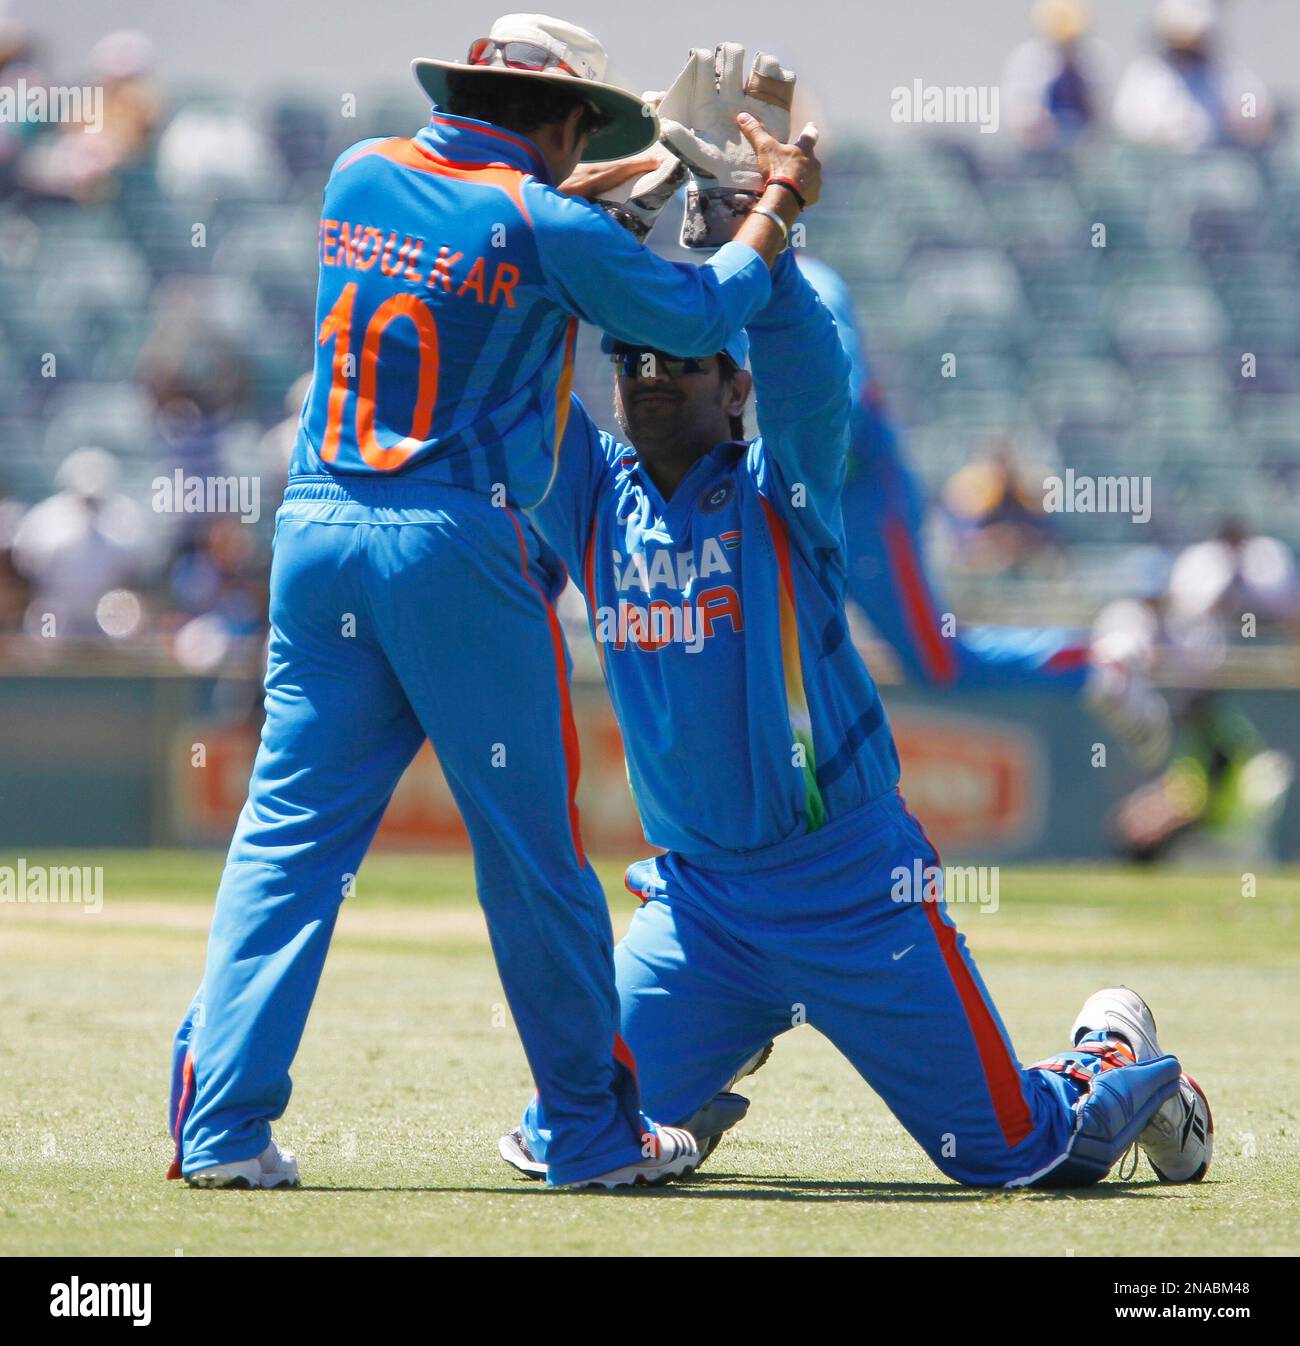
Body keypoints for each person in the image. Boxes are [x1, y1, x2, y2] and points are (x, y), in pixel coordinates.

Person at [167, 13, 821, 1192]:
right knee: (534, 862)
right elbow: (693, 313)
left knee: (288, 846)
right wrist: (772, 201)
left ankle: (217, 1130)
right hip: (451, 553)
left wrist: (653, 157)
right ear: (568, 120)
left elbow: (512, 222)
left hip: (317, 537)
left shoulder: (358, 173)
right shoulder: (547, 219)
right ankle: (586, 1130)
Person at [494, 190, 1211, 1190]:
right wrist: (591, 234)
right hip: (699, 905)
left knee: (1013, 1154)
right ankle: (695, 1079)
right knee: (569, 1139)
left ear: (736, 386)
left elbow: (812, 370)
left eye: (680, 359)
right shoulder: (590, 497)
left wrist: (761, 231)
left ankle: (1111, 1053)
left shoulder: (780, 494)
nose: (649, 375)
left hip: (850, 890)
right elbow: (514, 375)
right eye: (631, 359)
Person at [800, 257, 1171, 764]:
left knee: (936, 661)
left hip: (855, 497)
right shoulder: (725, 276)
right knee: (767, 654)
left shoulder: (803, 278)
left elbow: (843, 401)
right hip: (802, 494)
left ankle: (1094, 659)